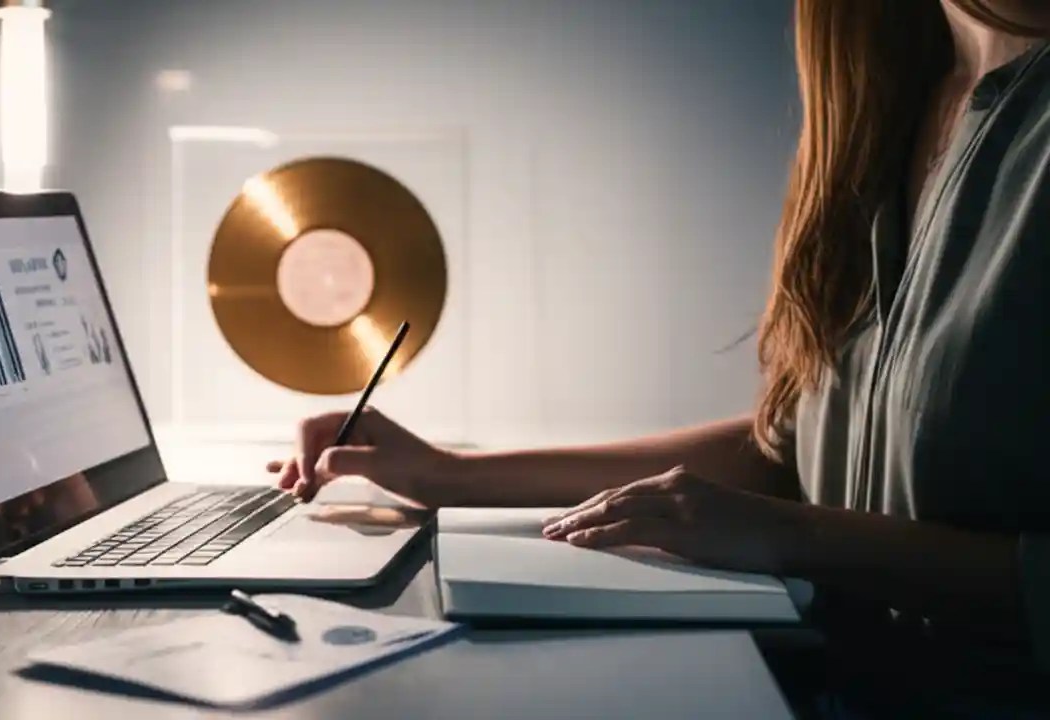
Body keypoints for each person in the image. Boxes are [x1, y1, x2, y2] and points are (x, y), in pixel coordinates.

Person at [270, 0, 1050, 715]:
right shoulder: (882, 109)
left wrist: (790, 536)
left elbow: (795, 509)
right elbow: (792, 452)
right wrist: (451, 476)